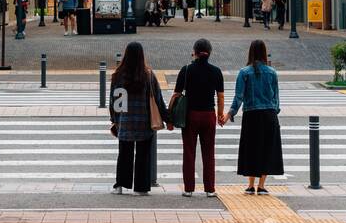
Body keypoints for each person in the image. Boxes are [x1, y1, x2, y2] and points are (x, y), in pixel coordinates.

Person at [109, 41, 171, 195]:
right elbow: (158, 99)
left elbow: (115, 103)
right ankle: (141, 188)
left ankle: (121, 185)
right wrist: (167, 118)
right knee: (143, 155)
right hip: (144, 122)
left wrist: (115, 121)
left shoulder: (118, 75)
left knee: (124, 154)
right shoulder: (148, 75)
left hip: (125, 122)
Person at [227, 39, 283, 195]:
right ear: (264, 53)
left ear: (250, 52)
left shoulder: (244, 72)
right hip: (269, 115)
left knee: (251, 148)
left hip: (251, 115)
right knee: (267, 149)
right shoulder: (272, 72)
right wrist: (274, 112)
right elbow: (276, 98)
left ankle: (250, 185)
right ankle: (262, 185)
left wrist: (230, 113)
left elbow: (238, 96)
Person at [171, 38, 224, 197]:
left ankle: (188, 189)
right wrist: (220, 115)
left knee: (189, 152)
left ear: (194, 52)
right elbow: (220, 96)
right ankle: (209, 189)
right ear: (210, 53)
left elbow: (176, 94)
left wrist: (170, 116)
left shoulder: (186, 70)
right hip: (209, 116)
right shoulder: (216, 71)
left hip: (190, 115)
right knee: (209, 153)